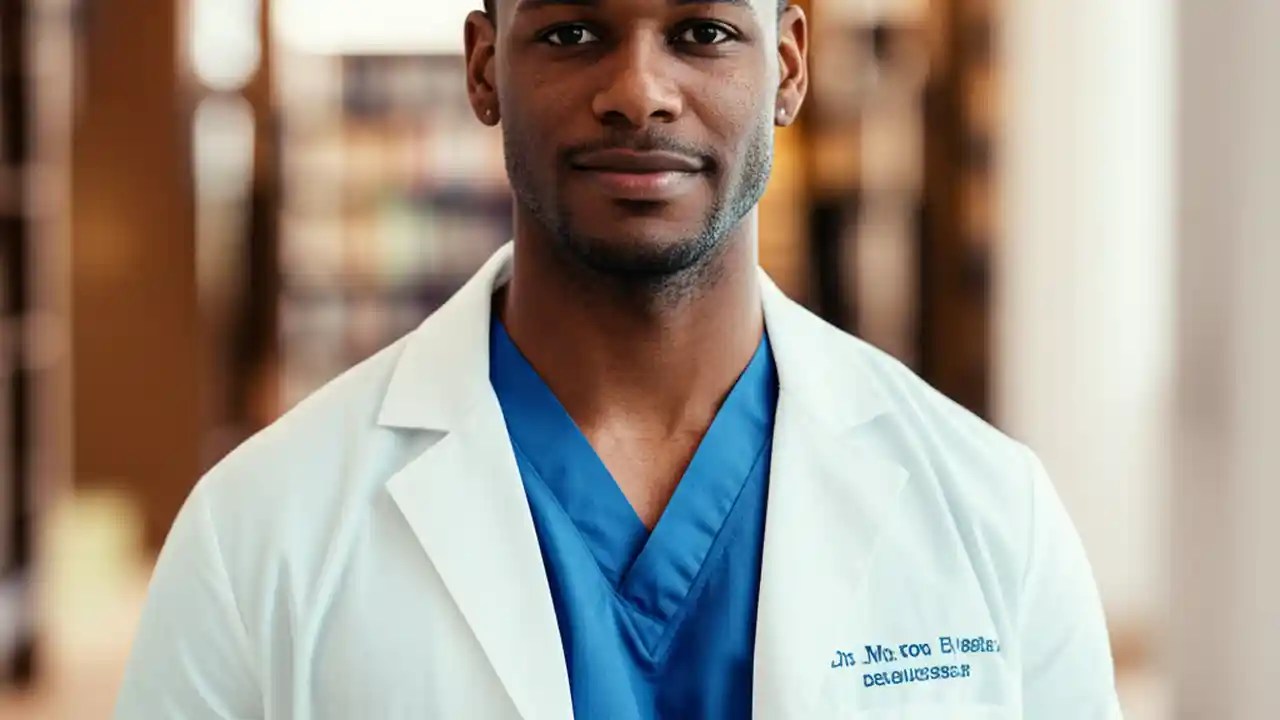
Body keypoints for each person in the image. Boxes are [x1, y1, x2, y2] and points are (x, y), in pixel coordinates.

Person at [116, 0, 1123, 718]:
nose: (638, 92)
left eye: (701, 33)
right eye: (572, 33)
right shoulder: (260, 531)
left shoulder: (993, 515)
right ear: (482, 69)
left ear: (786, 65)